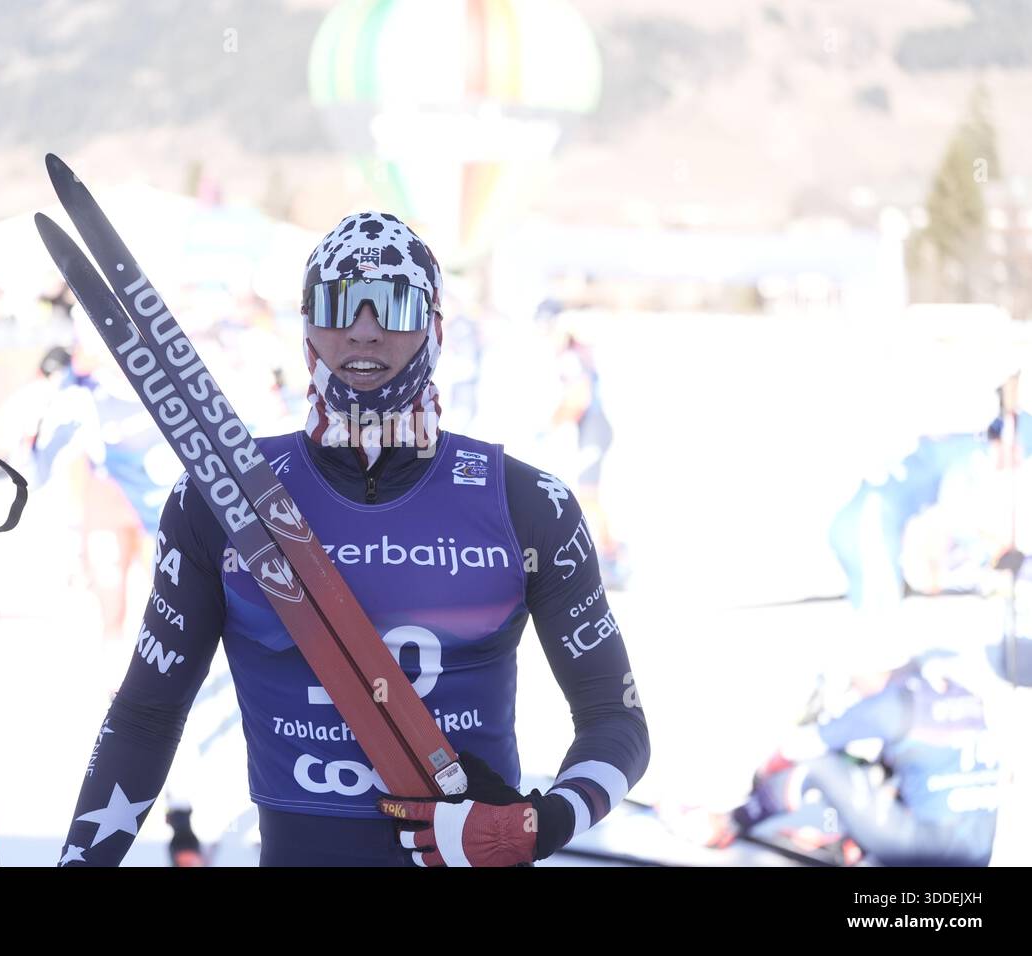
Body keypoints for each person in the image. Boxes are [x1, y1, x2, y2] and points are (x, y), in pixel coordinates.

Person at [58, 212, 650, 867]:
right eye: (340, 303)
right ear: (307, 326)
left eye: (395, 303)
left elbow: (615, 720)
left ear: (435, 327)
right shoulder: (218, 498)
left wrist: (542, 823)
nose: (364, 327)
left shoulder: (525, 504)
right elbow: (145, 715)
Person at [707, 648, 1000, 867]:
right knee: (873, 775)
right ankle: (845, 841)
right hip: (978, 852)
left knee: (818, 769)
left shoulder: (889, 704)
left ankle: (728, 823)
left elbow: (799, 747)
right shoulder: (943, 689)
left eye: (854, 679)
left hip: (924, 849)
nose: (855, 688)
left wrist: (764, 780)